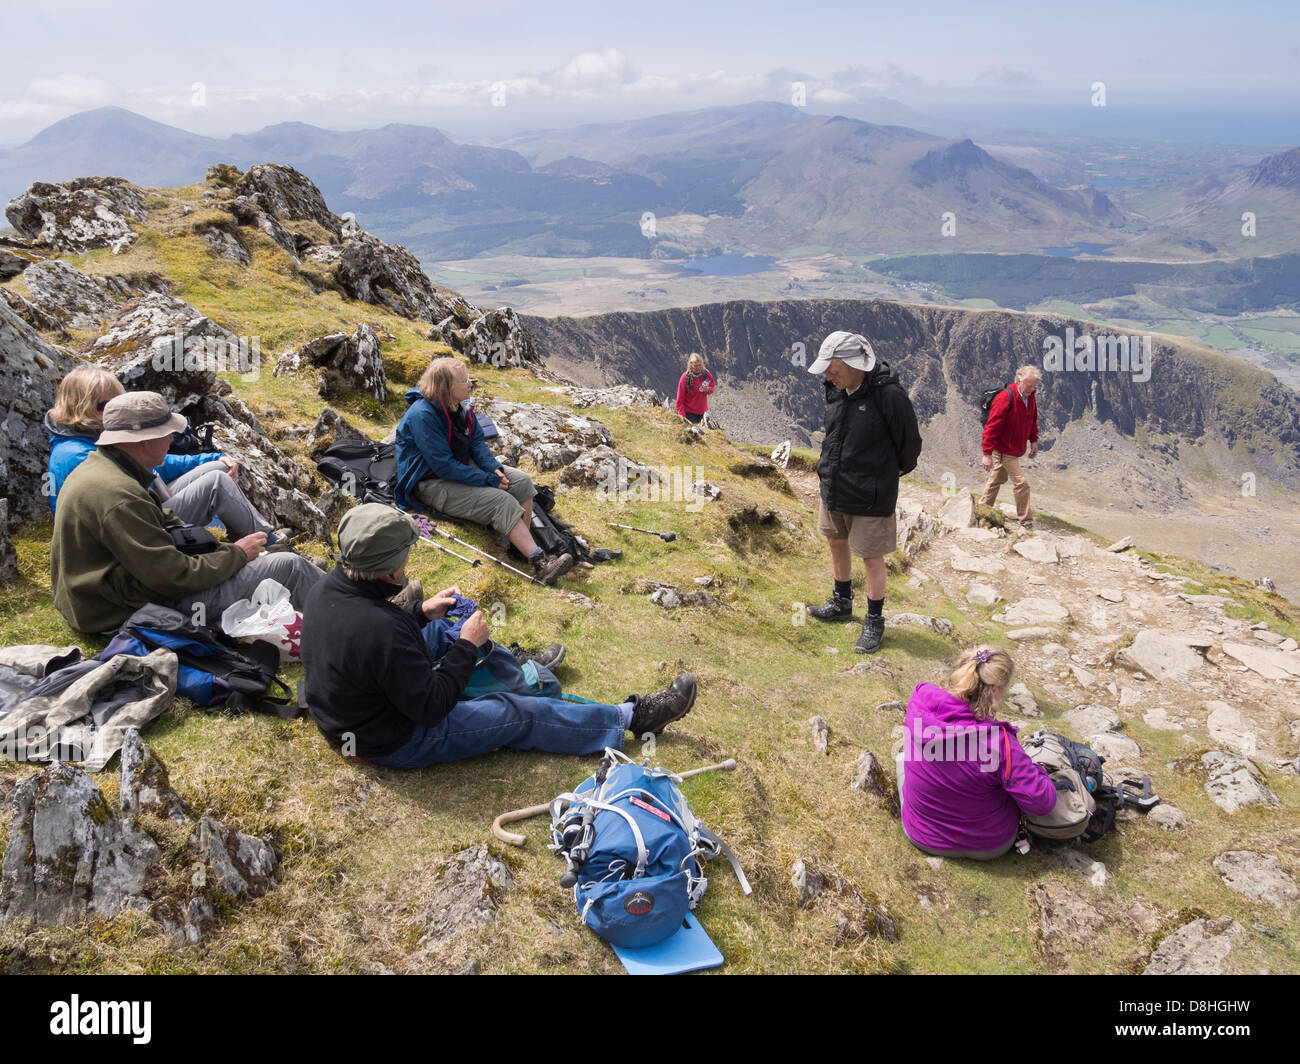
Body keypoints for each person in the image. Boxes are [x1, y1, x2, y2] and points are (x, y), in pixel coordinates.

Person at [299, 504, 697, 769]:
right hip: (392, 739)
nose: (408, 559)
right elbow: (432, 708)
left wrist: (419, 613)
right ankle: (631, 718)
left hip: (355, 712)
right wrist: (467, 647)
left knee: (438, 627)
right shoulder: (380, 630)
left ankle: (519, 671)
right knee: (514, 712)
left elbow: (375, 644)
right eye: (405, 554)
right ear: (388, 571)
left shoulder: (326, 590)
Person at [50, 391, 324, 634]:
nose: (172, 438)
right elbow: (174, 577)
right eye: (166, 432)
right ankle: (354, 611)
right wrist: (238, 554)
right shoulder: (119, 496)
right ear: (143, 441)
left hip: (99, 599)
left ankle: (332, 593)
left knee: (268, 563)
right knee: (288, 566)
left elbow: (164, 525)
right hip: (120, 611)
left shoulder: (107, 468)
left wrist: (220, 551)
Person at [45, 365, 287, 544]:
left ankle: (250, 535)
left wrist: (211, 458)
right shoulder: (76, 456)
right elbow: (124, 508)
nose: (117, 410)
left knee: (218, 469)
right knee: (217, 483)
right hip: (137, 527)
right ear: (80, 407)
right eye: (106, 406)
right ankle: (269, 543)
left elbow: (157, 466)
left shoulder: (92, 437)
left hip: (147, 508)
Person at [393, 357, 573, 585]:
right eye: (464, 380)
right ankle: (540, 564)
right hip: (430, 482)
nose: (470, 383)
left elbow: (476, 443)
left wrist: (494, 469)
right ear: (447, 387)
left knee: (522, 482)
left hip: (458, 467)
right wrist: (487, 479)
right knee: (501, 501)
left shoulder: (460, 406)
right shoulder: (423, 415)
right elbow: (443, 466)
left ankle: (519, 546)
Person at [805, 331, 922, 654]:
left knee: (871, 557)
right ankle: (841, 601)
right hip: (835, 483)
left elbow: (910, 445)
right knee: (835, 540)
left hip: (871, 493)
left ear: (856, 365)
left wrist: (889, 471)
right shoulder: (837, 389)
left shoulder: (890, 397)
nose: (828, 376)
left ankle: (874, 621)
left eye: (834, 370)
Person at [899, 646, 1057, 860]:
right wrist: (1039, 772)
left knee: (902, 759)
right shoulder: (1000, 741)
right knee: (1010, 785)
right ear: (997, 690)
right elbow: (1042, 803)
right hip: (986, 844)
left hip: (920, 835)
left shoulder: (920, 700)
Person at [979, 365, 1041, 531]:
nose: (1033, 389)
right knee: (1022, 483)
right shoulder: (1005, 398)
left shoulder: (1030, 397)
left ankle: (982, 509)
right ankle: (1026, 522)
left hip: (1014, 448)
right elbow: (991, 426)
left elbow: (1032, 420)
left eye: (1035, 385)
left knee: (997, 479)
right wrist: (986, 453)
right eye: (1029, 385)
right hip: (1004, 449)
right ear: (1019, 381)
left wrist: (1033, 441)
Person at [675, 352, 714, 425]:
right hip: (689, 413)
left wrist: (708, 390)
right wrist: (683, 418)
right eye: (695, 366)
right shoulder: (685, 378)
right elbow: (679, 400)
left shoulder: (706, 374)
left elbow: (712, 386)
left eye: (699, 365)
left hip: (703, 412)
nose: (698, 368)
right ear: (691, 365)